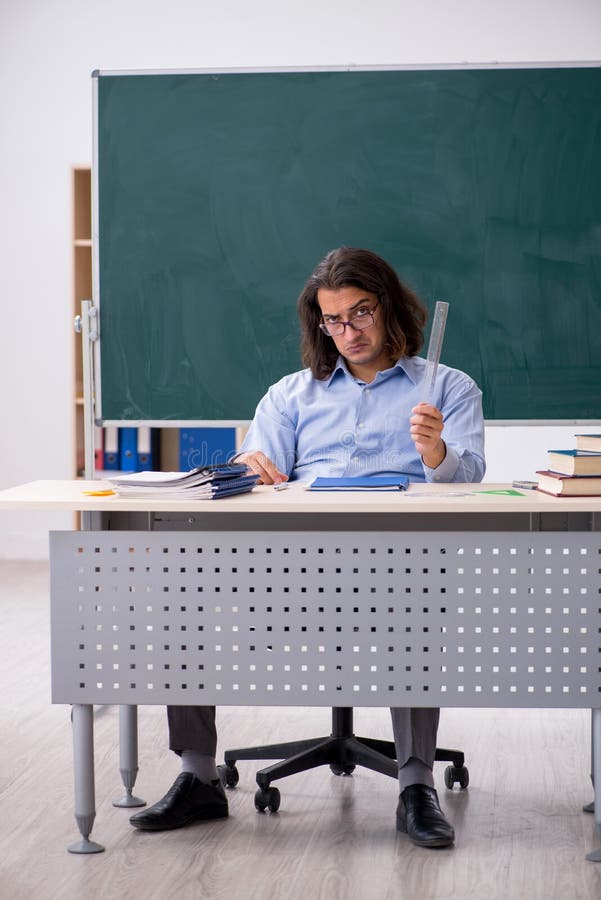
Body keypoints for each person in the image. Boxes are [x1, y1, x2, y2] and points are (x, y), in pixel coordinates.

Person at [130, 246, 485, 848]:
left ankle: (415, 784)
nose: (348, 331)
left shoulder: (447, 387)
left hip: (397, 566)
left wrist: (436, 455)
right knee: (181, 592)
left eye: (361, 313)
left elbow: (471, 478)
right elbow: (252, 470)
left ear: (391, 308)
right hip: (293, 567)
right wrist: (251, 465)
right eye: (333, 320)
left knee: (418, 592)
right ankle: (198, 777)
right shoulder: (291, 395)